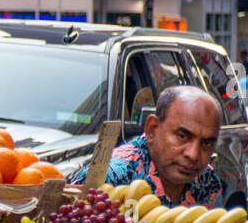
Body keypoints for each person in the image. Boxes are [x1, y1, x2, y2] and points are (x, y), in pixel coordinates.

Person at [70, 85, 225, 208]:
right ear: (152, 129)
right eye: (182, 136)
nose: (193, 155)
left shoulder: (207, 181)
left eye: (206, 143)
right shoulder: (108, 179)